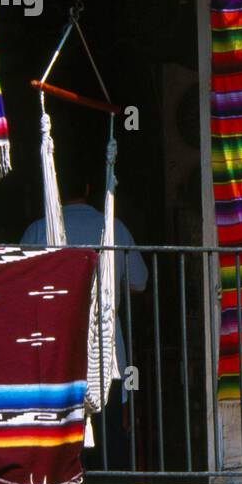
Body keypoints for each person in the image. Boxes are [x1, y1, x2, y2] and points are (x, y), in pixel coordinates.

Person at [20, 147, 146, 462]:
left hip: (53, 351)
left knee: (60, 436)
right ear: (89, 189)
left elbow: (19, 291)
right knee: (109, 434)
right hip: (108, 350)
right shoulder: (113, 227)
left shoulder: (38, 230)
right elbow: (140, 281)